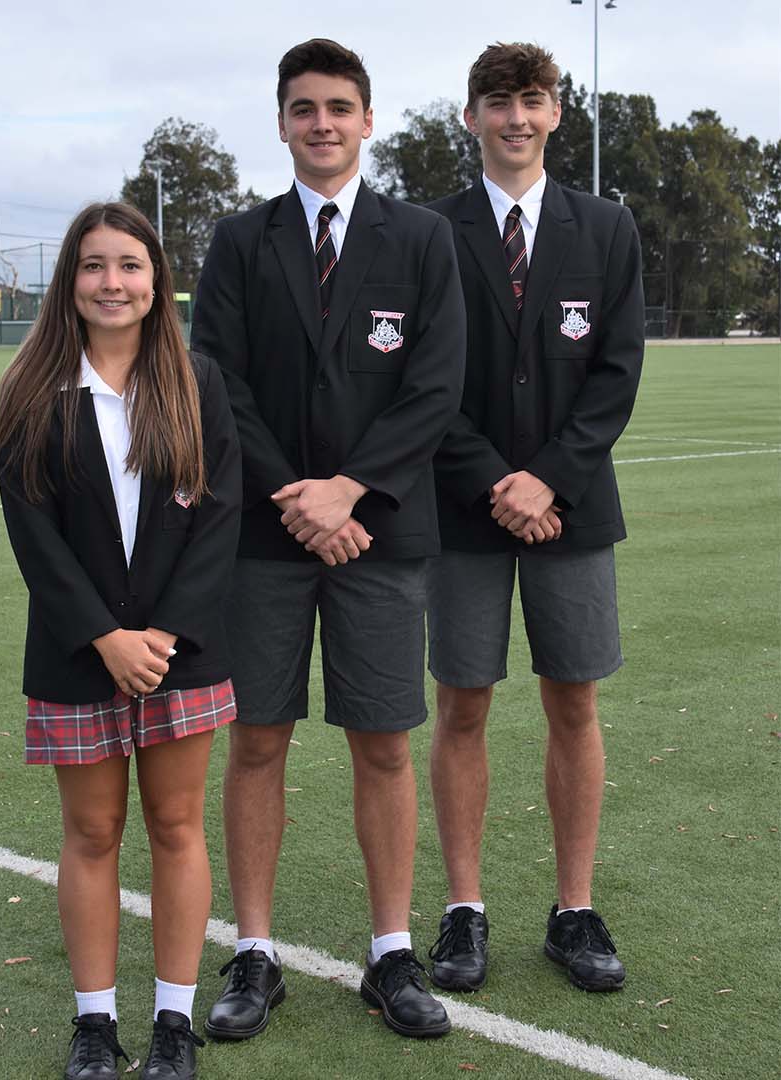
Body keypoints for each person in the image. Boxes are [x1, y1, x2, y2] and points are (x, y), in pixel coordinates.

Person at [191, 38, 466, 1041]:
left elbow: (436, 383)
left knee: (383, 745)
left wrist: (347, 492)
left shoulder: (423, 239)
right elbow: (214, 380)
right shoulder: (238, 239)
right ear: (280, 122)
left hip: (380, 535)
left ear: (366, 119)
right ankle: (253, 951)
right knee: (257, 740)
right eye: (302, 108)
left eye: (338, 107)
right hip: (263, 540)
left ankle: (390, 951)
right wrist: (294, 499)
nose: (321, 123)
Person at [0, 203, 242, 1080]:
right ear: (69, 282)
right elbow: (33, 533)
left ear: (156, 281)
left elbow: (219, 517)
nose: (112, 283)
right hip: (75, 652)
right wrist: (104, 636)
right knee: (91, 833)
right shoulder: (31, 388)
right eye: (93, 266)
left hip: (181, 652)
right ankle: (95, 1024)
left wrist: (159, 635)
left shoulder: (197, 381)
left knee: (176, 825)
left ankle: (174, 1022)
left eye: (129, 266)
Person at [423, 42, 642, 995]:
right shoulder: (426, 231)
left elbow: (617, 371)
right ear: (468, 116)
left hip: (573, 511)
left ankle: (572, 908)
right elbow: (421, 380)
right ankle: (462, 910)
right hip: (463, 512)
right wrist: (493, 481)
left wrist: (547, 479)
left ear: (556, 113)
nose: (515, 116)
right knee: (462, 704)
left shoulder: (606, 226)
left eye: (533, 99)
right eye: (497, 101)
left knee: (573, 701)